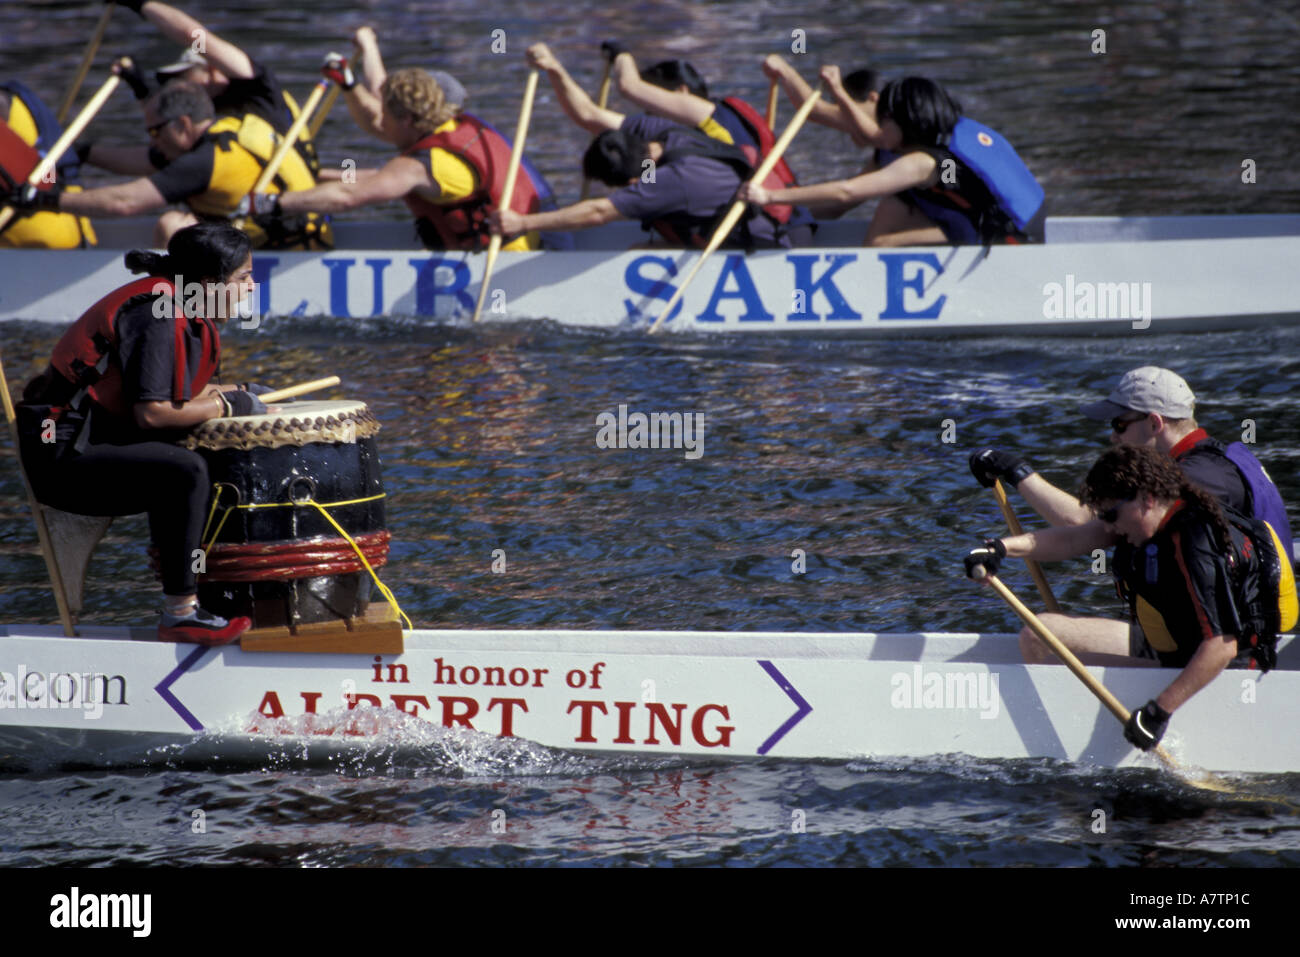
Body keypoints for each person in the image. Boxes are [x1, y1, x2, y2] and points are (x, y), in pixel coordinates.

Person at [15, 222, 269, 645]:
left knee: (211, 458)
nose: (251, 287)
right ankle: (181, 613)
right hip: (63, 458)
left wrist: (242, 392)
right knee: (185, 470)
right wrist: (230, 404)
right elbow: (152, 414)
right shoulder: (157, 313)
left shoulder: (178, 304)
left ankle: (216, 594)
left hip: (99, 441)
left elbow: (178, 394)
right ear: (209, 283)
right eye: (243, 277)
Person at [964, 445, 1296, 752]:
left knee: (1046, 643)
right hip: (1176, 644)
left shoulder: (1194, 542)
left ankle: (1070, 746)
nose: (1110, 527)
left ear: (1147, 499)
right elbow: (1073, 539)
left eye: (1110, 516)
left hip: (1224, 671)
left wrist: (1157, 712)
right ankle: (1064, 735)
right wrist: (1000, 549)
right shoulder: (1151, 515)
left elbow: (1222, 646)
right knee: (1040, 635)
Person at [490, 43, 806, 249]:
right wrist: (554, 68)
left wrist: (523, 222)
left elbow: (599, 211)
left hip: (764, 247)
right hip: (730, 214)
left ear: (628, 182)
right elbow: (588, 115)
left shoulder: (663, 184)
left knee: (639, 248)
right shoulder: (660, 132)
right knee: (642, 247)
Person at [969, 366, 1294, 564]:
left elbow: (1084, 526)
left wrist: (1017, 475)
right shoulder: (1210, 459)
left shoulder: (1198, 477)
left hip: (1244, 634)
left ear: (1154, 423)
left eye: (1120, 424)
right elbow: (1089, 525)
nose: (1113, 436)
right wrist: (1016, 476)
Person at [259, 66, 557, 252]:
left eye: (385, 116)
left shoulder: (423, 165)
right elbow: (380, 178)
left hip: (499, 271)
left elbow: (349, 197)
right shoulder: (456, 128)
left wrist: (270, 203)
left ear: (407, 119)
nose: (380, 125)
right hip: (529, 249)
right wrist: (316, 175)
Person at [7, 81, 327, 248]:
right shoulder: (228, 130)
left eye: (155, 132)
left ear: (182, 125)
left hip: (275, 255)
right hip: (298, 241)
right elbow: (147, 161)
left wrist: (45, 200)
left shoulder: (203, 162)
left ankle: (164, 306)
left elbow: (125, 203)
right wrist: (84, 151)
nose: (152, 141)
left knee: (173, 224)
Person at [738, 76, 1044, 246]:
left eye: (884, 120)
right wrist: (836, 90)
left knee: (881, 241)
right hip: (1011, 218)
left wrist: (769, 196)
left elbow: (848, 192)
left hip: (1007, 237)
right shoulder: (938, 133)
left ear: (904, 122)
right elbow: (857, 129)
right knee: (893, 203)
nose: (877, 129)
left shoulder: (921, 164)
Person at [604, 45, 815, 236]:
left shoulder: (711, 120)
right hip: (766, 226)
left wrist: (621, 53)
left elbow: (629, 87)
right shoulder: (684, 138)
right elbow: (591, 117)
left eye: (652, 108)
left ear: (681, 93)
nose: (648, 117)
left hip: (781, 228)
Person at [103, 0, 321, 176]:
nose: (179, 87)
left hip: (277, 189)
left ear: (212, 69)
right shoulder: (202, 116)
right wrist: (138, 85)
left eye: (184, 77)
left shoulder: (256, 87)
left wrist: (139, 4)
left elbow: (193, 35)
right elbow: (161, 142)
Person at [0, 80, 97, 248]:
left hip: (33, 240)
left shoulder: (3, 103)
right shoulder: (19, 101)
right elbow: (50, 175)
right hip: (77, 234)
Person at [761, 55, 880, 149]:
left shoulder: (894, 126)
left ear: (874, 99)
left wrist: (784, 69)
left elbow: (814, 110)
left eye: (846, 108)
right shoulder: (883, 152)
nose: (850, 133)